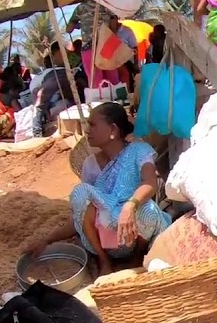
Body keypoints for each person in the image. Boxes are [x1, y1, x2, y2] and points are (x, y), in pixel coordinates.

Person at [24, 103, 170, 273]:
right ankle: (104, 260)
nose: (86, 130)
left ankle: (137, 258)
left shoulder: (139, 151)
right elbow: (81, 213)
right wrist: (46, 240)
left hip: (134, 233)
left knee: (149, 209)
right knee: (80, 192)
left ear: (113, 130)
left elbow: (150, 183)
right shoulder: (90, 165)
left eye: (92, 125)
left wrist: (129, 206)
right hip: (104, 239)